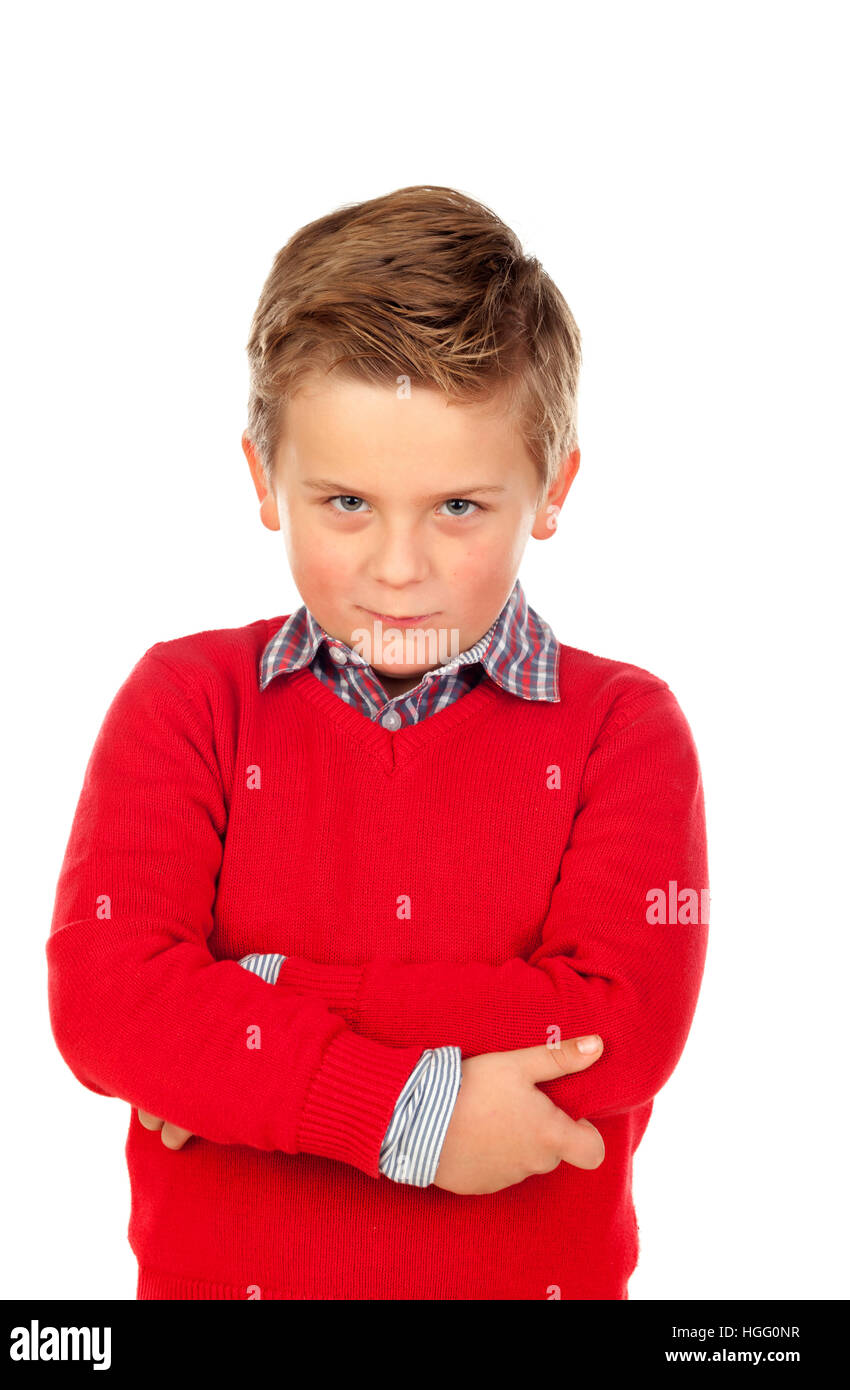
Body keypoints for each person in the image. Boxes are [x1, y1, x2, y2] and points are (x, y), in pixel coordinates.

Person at [47, 184, 708, 1300]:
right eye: (346, 501)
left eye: (457, 507)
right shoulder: (188, 702)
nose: (397, 568)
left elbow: (613, 1027)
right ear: (265, 481)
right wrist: (417, 1115)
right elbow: (108, 999)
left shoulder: (620, 729)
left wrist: (234, 1004)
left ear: (549, 489)